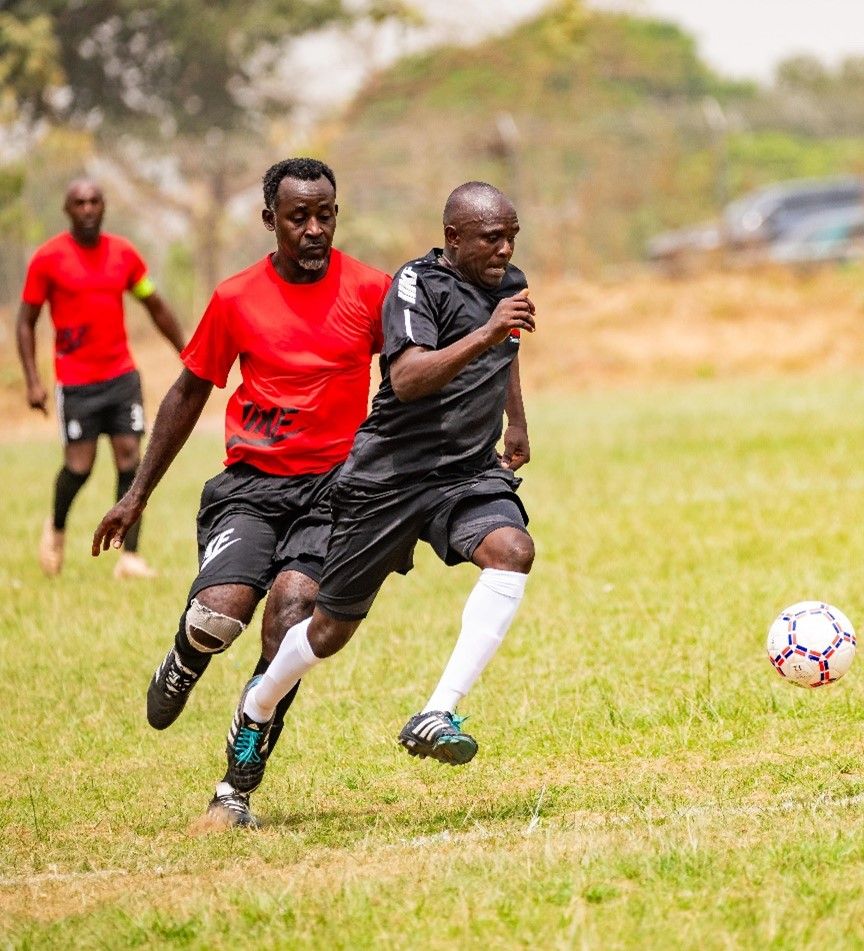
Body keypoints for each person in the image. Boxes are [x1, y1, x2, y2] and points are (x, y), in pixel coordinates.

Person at [210, 181, 535, 823]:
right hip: (386, 479)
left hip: (464, 473)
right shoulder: (415, 285)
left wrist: (516, 421)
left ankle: (438, 710)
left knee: (513, 552)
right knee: (328, 633)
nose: (505, 248)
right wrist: (489, 332)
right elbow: (409, 378)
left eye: (512, 236)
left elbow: (508, 350)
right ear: (454, 239)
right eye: (492, 238)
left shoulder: (509, 282)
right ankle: (256, 707)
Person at [92, 157, 392, 824]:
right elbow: (189, 390)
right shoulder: (235, 298)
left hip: (335, 492)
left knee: (291, 615)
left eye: (325, 216)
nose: (314, 230)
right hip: (251, 487)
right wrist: (136, 493)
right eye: (298, 218)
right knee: (218, 615)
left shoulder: (372, 290)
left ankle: (236, 786)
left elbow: (415, 370)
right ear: (270, 221)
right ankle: (185, 654)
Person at [16, 179, 186, 579]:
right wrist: (32, 380)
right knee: (80, 466)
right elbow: (26, 323)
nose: (88, 209)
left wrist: (186, 350)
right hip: (76, 382)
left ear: (104, 207)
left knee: (131, 458)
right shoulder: (48, 259)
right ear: (67, 209)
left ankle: (129, 556)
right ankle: (56, 529)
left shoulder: (124, 255)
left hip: (121, 376)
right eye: (80, 203)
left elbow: (153, 303)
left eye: (95, 202)